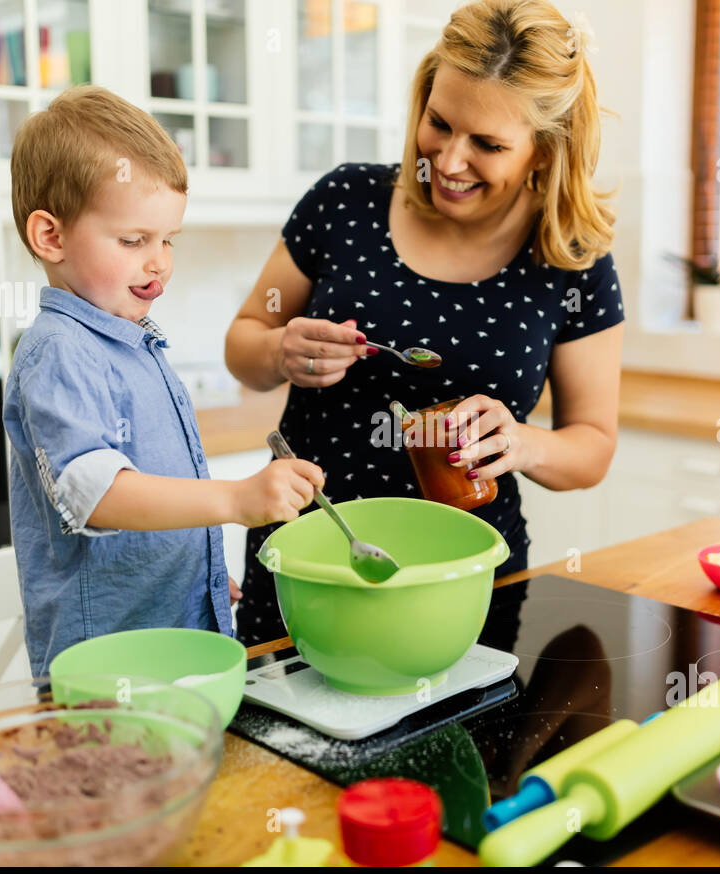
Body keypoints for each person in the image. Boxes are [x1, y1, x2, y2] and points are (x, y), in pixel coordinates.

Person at [225, 0, 625, 644]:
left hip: (466, 585)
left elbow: (593, 445)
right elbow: (243, 344)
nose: (449, 161)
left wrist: (522, 442)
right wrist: (279, 352)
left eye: (489, 144)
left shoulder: (570, 260)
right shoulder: (344, 201)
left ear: (544, 153)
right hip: (306, 561)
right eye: (440, 123)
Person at [3, 86, 323, 675]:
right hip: (106, 670)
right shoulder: (58, 350)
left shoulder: (129, 337)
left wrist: (195, 562)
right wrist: (235, 498)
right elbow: (95, 495)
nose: (159, 262)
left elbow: (154, 495)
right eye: (133, 241)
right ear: (50, 236)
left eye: (168, 240)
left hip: (170, 649)